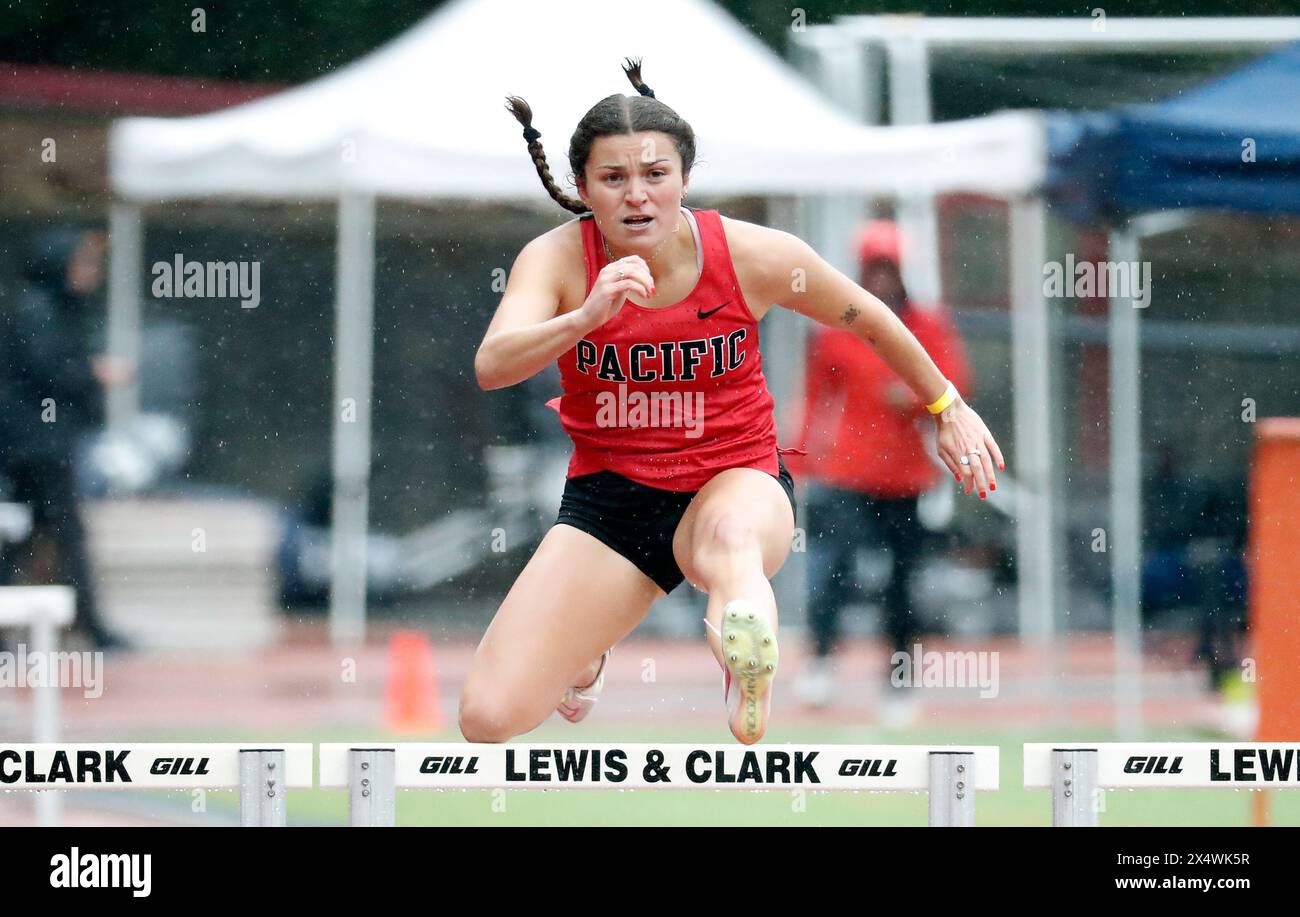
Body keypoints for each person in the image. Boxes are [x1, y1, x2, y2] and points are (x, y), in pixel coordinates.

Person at [460, 59, 1003, 746]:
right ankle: (591, 647)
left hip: (734, 479)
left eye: (656, 175)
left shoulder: (751, 254)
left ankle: (746, 664)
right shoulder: (557, 258)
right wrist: (585, 315)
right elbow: (492, 364)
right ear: (582, 188)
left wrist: (946, 406)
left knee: (730, 544)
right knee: (486, 717)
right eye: (614, 178)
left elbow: (867, 314)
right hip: (613, 501)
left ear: (684, 178)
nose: (637, 197)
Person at [788, 221, 974, 708]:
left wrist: (916, 399)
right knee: (831, 571)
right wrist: (801, 461)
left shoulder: (928, 326)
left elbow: (952, 386)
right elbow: (813, 399)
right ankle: (822, 663)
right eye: (873, 267)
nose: (880, 278)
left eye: (887, 267)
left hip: (906, 475)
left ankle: (899, 679)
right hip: (847, 473)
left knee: (904, 582)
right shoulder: (836, 327)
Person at [0, 226, 132, 650]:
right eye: (82, 262)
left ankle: (94, 629)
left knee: (22, 535)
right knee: (56, 534)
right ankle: (96, 631)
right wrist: (96, 373)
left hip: (38, 446)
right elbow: (50, 371)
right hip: (36, 448)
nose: (91, 272)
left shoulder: (53, 309)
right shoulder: (36, 311)